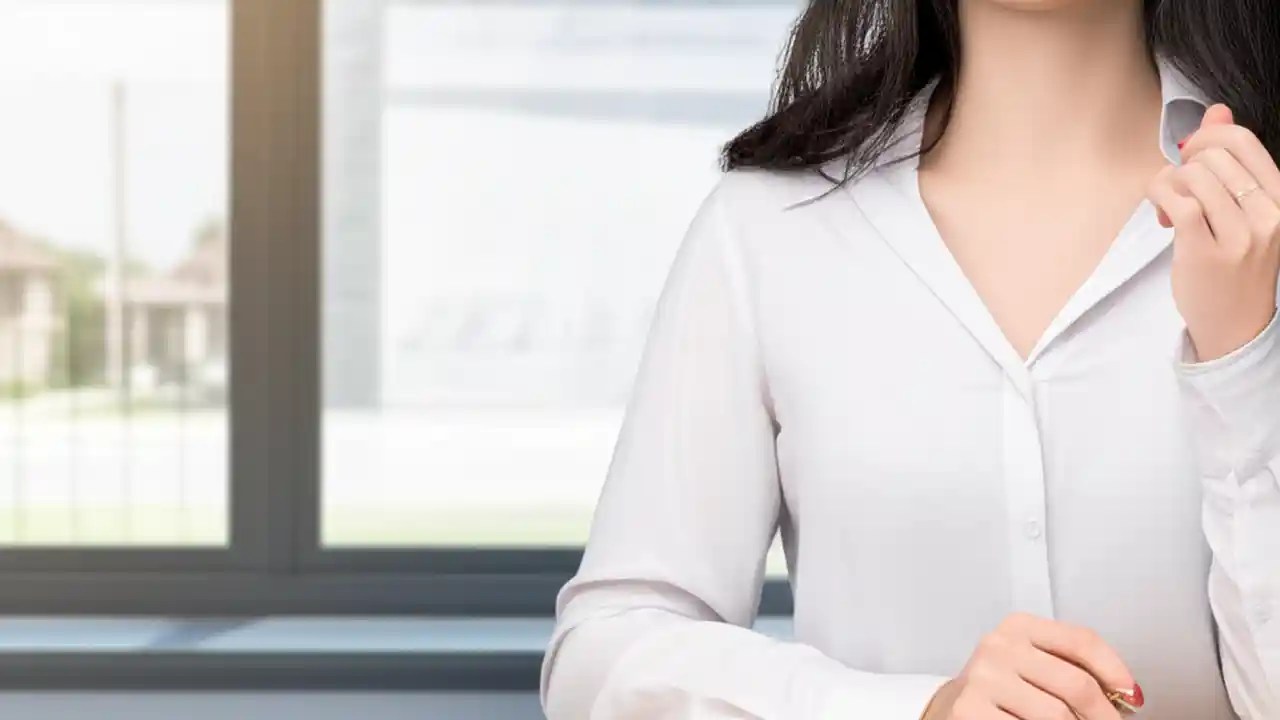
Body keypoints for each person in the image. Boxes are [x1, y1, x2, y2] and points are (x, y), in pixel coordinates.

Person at [540, 0, 1280, 717]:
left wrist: (1241, 359)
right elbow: (605, 656)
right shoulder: (768, 227)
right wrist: (917, 709)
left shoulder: (1264, 222)